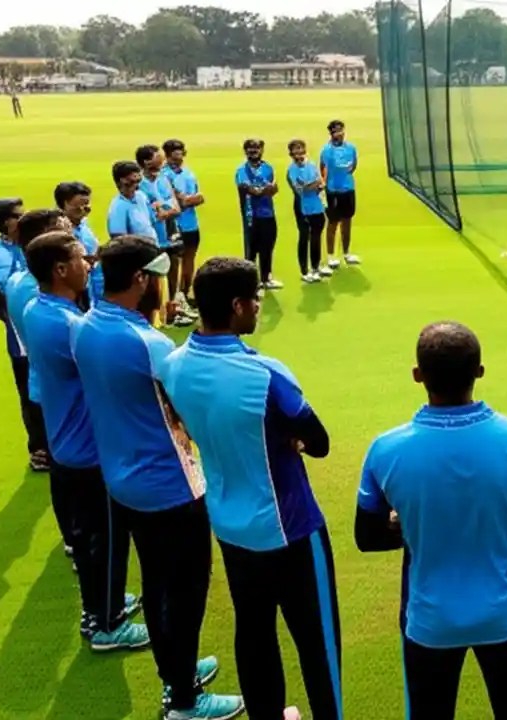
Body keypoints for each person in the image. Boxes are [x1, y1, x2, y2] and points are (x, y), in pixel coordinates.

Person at [71, 236, 243, 720]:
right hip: (169, 488)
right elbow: (187, 409)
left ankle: (179, 672)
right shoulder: (149, 343)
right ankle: (184, 700)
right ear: (143, 280)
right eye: (158, 275)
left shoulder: (85, 327)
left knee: (156, 584)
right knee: (184, 594)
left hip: (123, 482)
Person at [158, 257, 336, 720]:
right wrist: (289, 438)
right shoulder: (266, 373)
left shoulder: (174, 364)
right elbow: (318, 441)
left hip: (231, 526)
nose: (258, 306)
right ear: (237, 306)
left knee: (254, 631)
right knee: (318, 643)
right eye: (254, 299)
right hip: (291, 529)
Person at [355, 322, 507, 720]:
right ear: (479, 372)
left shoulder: (385, 450)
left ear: (418, 375)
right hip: (505, 616)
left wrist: (409, 524)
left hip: (429, 621)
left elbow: (368, 536)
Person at [20, 230, 147, 650]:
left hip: (65, 442)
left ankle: (102, 604)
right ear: (60, 269)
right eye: (79, 259)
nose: (88, 265)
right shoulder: (71, 325)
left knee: (93, 540)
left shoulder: (38, 309)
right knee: (107, 541)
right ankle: (106, 624)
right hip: (91, 451)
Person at [7, 209, 77, 546]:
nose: (69, 236)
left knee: (61, 463)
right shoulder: (36, 293)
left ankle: (73, 534)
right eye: (60, 232)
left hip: (45, 385)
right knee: (66, 467)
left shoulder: (20, 282)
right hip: (57, 388)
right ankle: (75, 535)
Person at [0, 196, 49, 471]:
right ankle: (38, 451)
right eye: (17, 215)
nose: (22, 219)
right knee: (30, 393)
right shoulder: (1, 254)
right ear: (5, 223)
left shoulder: (23, 247)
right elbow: (5, 286)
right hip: (21, 338)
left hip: (31, 332)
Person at [137, 144, 195, 327]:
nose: (162, 161)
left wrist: (164, 211)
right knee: (153, 279)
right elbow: (149, 212)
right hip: (153, 238)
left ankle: (173, 311)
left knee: (173, 272)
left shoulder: (162, 180)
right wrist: (163, 210)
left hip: (171, 234)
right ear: (146, 162)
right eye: (158, 157)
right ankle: (153, 316)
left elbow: (175, 208)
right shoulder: (139, 184)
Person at [164, 139, 207, 311]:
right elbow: (181, 201)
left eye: (181, 155)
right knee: (173, 265)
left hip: (191, 224)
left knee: (189, 260)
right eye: (174, 156)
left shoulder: (188, 173)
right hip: (174, 226)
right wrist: (189, 200)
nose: (178, 159)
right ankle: (173, 299)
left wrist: (189, 200)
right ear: (167, 156)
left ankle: (185, 295)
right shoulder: (164, 176)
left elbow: (197, 198)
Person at [237, 138, 281, 289]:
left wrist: (268, 190)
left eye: (257, 148)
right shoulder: (241, 170)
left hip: (268, 213)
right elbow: (250, 190)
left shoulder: (268, 168)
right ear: (245, 151)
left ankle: (266, 278)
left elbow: (274, 188)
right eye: (250, 148)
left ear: (262, 150)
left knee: (267, 247)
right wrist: (264, 190)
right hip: (251, 216)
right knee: (251, 251)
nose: (254, 151)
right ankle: (251, 282)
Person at [54, 181, 104, 307]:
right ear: (63, 205)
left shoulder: (84, 223)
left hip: (93, 285)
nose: (82, 209)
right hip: (76, 290)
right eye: (77, 206)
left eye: (86, 204)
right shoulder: (57, 231)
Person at [319, 120, 359, 272]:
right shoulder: (327, 150)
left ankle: (347, 253)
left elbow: (353, 164)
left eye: (341, 130)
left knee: (347, 221)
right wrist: (325, 182)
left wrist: (346, 177)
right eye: (335, 131)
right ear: (331, 133)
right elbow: (322, 167)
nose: (339, 133)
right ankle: (330, 256)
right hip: (333, 191)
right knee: (333, 223)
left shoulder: (351, 148)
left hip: (348, 189)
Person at [287, 139, 328, 283]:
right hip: (302, 207)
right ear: (291, 153)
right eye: (295, 149)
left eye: (300, 148)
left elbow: (320, 183)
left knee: (317, 236)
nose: (298, 152)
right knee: (304, 237)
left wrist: (318, 185)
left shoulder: (311, 165)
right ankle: (304, 271)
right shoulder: (292, 170)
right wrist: (315, 184)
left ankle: (316, 267)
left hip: (316, 205)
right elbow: (301, 189)